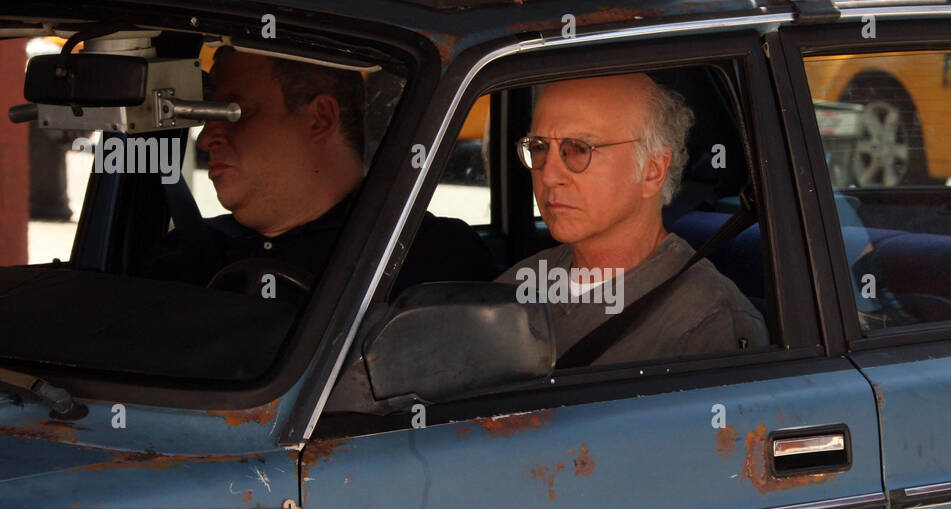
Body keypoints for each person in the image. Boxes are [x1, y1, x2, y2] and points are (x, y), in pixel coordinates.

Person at [138, 47, 495, 296]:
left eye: (232, 112)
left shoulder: (426, 259)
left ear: (319, 118)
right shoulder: (180, 257)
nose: (206, 139)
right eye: (209, 116)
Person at [497, 73, 768, 366]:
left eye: (577, 149)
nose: (548, 176)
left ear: (652, 170)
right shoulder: (517, 284)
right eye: (538, 147)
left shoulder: (708, 324)